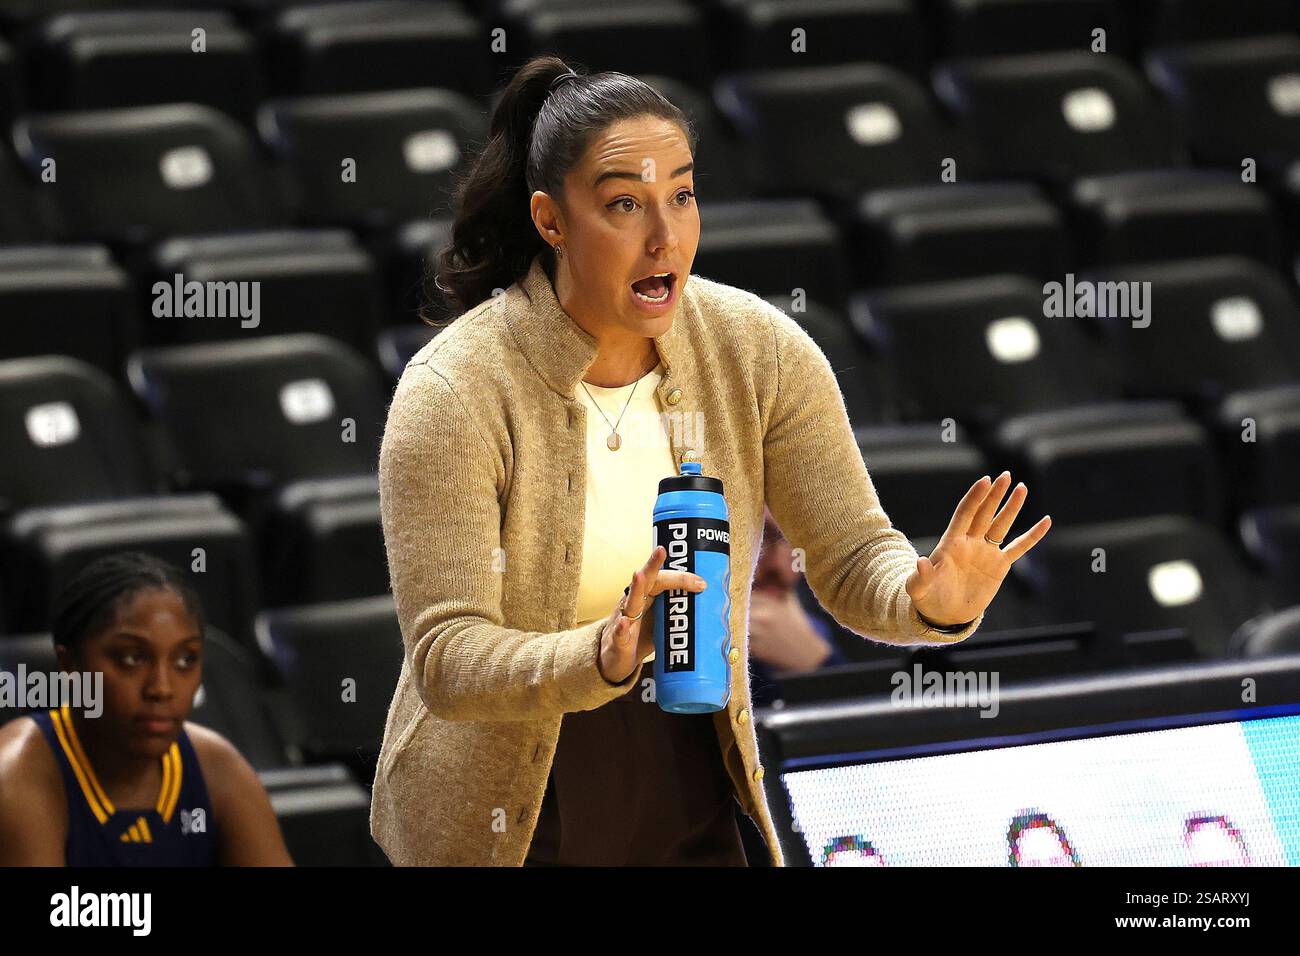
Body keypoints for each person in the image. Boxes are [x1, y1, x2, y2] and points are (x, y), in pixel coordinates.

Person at [371, 54, 1053, 867]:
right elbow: (447, 657)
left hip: (685, 750)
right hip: (502, 789)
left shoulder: (757, 349)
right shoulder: (456, 387)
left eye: (682, 196)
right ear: (551, 220)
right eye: (625, 204)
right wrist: (601, 652)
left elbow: (850, 555)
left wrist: (925, 597)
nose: (665, 236)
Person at [0, 552, 294, 866]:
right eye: (131, 659)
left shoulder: (217, 767)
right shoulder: (16, 774)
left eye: (185, 660)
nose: (162, 689)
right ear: (71, 666)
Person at [749, 507, 852, 708]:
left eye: (794, 542)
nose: (780, 567)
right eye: (760, 537)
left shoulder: (812, 624)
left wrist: (821, 664)